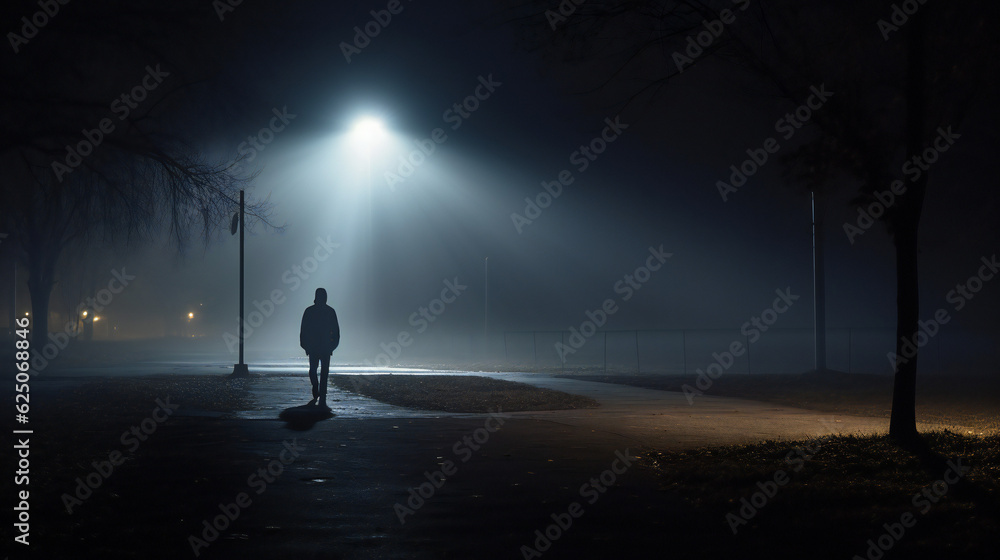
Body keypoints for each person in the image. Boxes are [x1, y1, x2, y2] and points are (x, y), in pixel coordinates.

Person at [300, 288, 340, 404]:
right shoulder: (329, 311)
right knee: (322, 370)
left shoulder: (310, 311)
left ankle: (318, 388)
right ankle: (321, 390)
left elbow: (304, 330)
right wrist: (333, 345)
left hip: (316, 346)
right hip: (324, 346)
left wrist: (305, 344)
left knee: (314, 369)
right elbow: (336, 331)